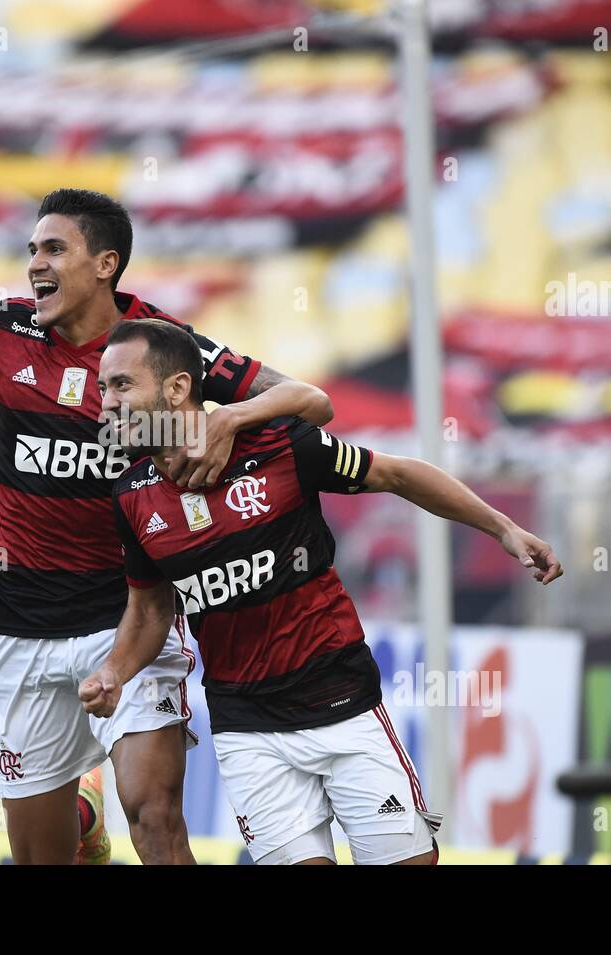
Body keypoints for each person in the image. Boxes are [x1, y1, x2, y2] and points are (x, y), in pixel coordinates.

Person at [0, 189, 333, 864]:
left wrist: (225, 420)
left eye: (55, 248)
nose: (36, 263)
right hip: (17, 626)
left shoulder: (158, 348)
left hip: (128, 616)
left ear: (105, 265)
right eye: (32, 249)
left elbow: (308, 400)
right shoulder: (4, 332)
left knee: (153, 813)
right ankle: (84, 822)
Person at [81, 318, 563, 865]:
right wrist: (114, 672)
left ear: (176, 389)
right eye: (103, 389)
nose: (107, 404)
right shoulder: (131, 495)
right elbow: (148, 609)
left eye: (122, 385)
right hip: (248, 728)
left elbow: (398, 474)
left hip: (341, 703)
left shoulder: (279, 445)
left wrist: (504, 529)